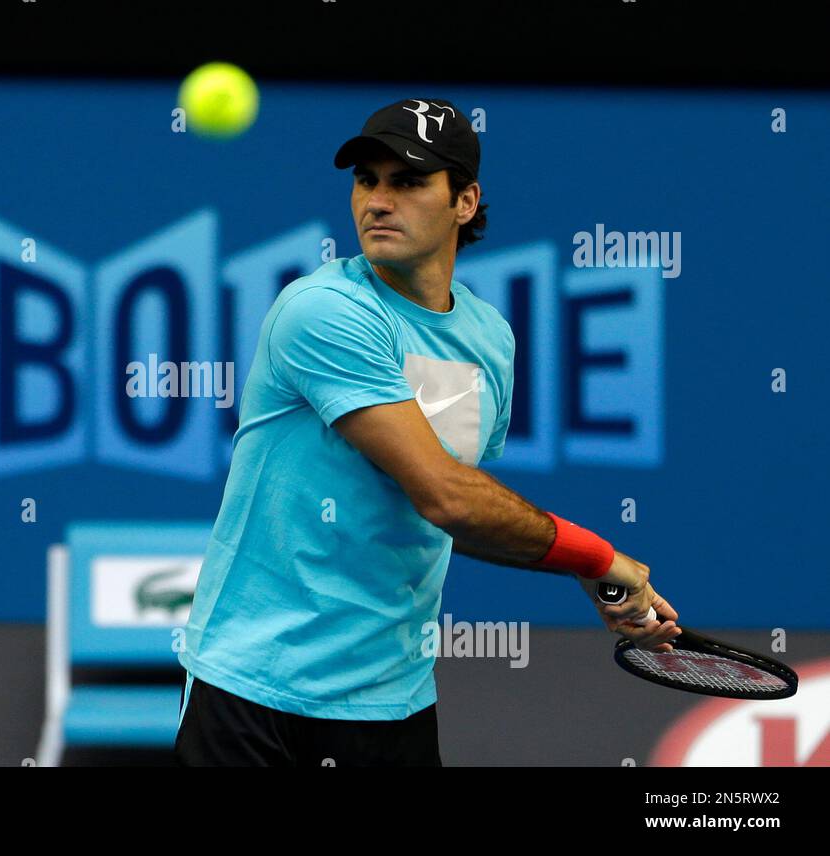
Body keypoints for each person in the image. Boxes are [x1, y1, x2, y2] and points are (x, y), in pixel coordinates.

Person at [173, 97, 680, 767]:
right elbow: (450, 497)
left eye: (407, 182)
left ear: (464, 202)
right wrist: (596, 557)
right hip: (255, 694)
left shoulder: (490, 340)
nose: (377, 201)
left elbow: (448, 515)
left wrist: (581, 572)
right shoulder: (322, 311)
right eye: (366, 180)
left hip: (393, 700)